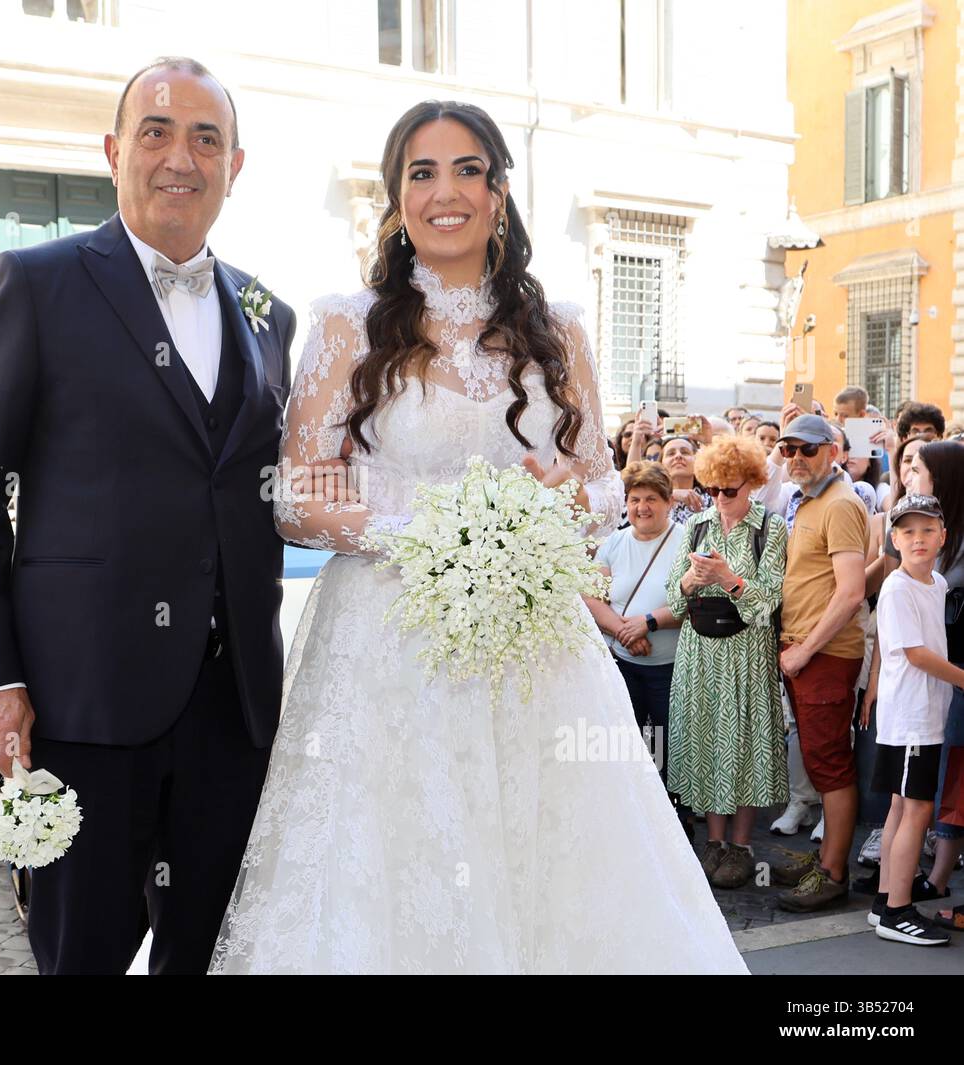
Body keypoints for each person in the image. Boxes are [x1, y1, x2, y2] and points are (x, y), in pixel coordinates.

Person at [210, 99, 745, 973]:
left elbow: (602, 492)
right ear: (396, 198)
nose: (445, 191)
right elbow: (298, 499)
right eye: (421, 172)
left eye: (467, 170)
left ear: (499, 193)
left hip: (535, 644)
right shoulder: (347, 323)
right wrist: (429, 530)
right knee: (389, 867)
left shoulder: (558, 326)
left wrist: (567, 493)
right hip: (388, 648)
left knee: (550, 865)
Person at [0, 57, 299, 976]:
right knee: (82, 954)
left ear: (236, 164)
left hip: (234, 711)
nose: (182, 157)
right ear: (113, 151)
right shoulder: (35, 282)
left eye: (206, 138)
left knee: (212, 953)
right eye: (157, 131)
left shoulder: (270, 315)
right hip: (82, 708)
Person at [665, 437, 788, 888]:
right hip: (700, 652)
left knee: (745, 744)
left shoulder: (770, 528)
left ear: (752, 484)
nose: (720, 498)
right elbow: (671, 601)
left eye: (730, 490)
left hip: (747, 654)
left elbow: (769, 601)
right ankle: (713, 843)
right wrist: (691, 581)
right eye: (714, 489)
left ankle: (741, 846)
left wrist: (728, 579)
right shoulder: (695, 525)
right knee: (708, 741)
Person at [772, 414, 869, 912]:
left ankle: (833, 873)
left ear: (833, 450)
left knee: (830, 764)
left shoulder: (841, 504)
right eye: (789, 449)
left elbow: (852, 592)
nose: (795, 458)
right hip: (804, 650)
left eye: (806, 450)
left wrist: (806, 649)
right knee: (819, 760)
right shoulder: (806, 500)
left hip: (824, 653)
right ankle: (827, 863)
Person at [866, 493, 957, 946]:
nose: (917, 538)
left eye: (927, 530)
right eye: (907, 531)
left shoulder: (935, 582)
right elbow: (917, 654)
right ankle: (897, 911)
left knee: (901, 807)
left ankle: (886, 899)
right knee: (916, 808)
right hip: (911, 717)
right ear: (894, 540)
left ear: (942, 536)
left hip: (921, 715)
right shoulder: (898, 587)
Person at [585, 461, 687, 831]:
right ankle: (632, 820)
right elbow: (590, 596)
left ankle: (673, 822)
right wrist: (624, 631)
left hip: (671, 666)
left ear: (669, 502)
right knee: (626, 743)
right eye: (635, 499)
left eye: (651, 499)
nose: (642, 507)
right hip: (623, 663)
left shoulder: (686, 540)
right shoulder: (614, 542)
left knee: (669, 746)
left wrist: (648, 623)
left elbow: (694, 600)